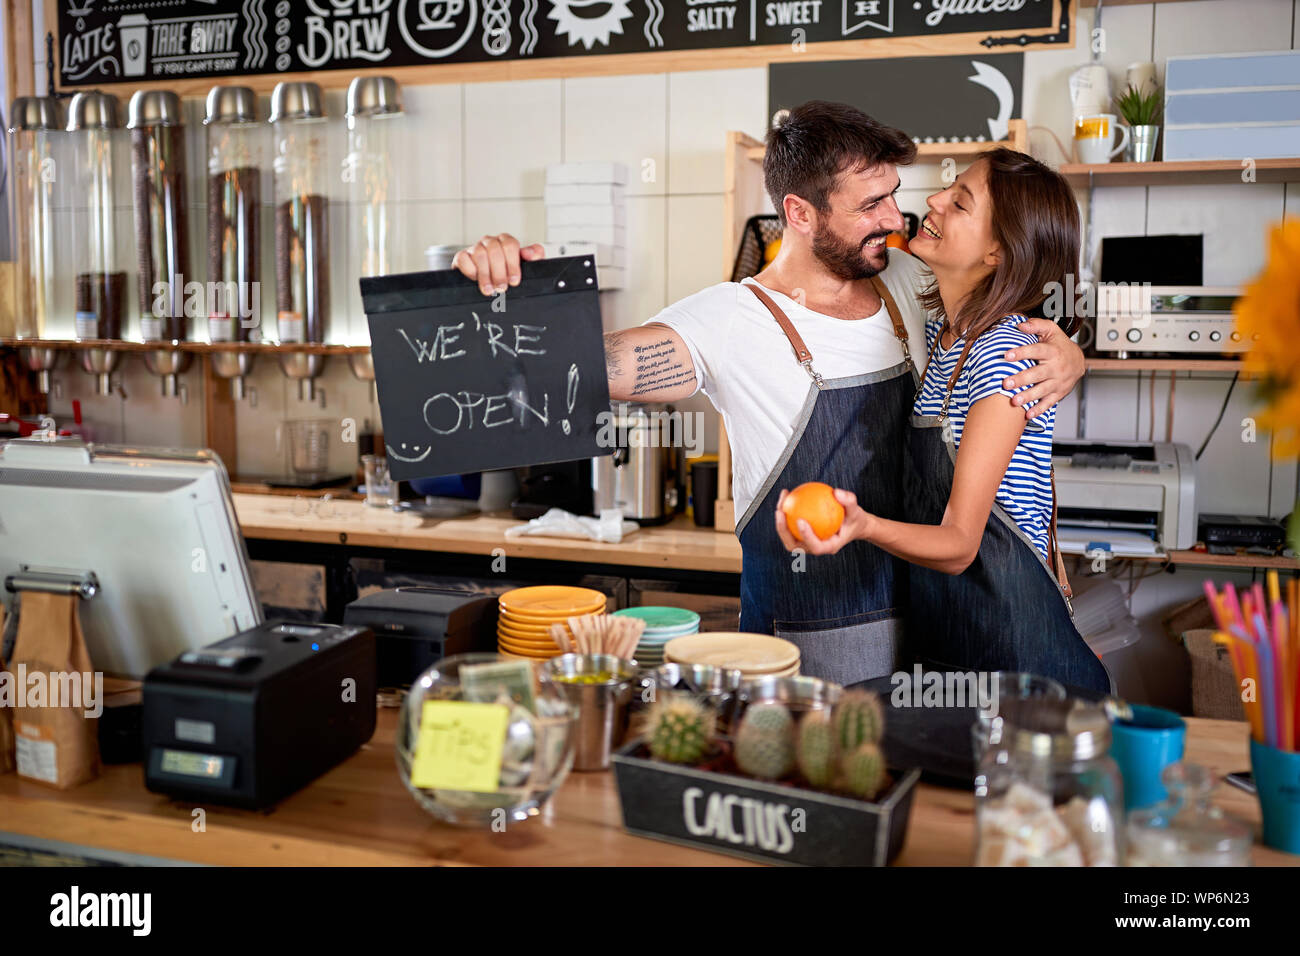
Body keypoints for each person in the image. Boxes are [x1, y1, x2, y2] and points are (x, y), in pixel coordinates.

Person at [452, 101, 1087, 688]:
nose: (897, 220)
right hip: (805, 654)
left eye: (894, 196)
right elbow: (585, 367)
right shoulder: (728, 320)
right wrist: (506, 300)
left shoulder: (913, 278)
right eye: (871, 206)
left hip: (941, 639)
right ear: (800, 213)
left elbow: (1024, 280)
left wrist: (1069, 349)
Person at [776, 148, 1111, 693]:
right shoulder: (944, 340)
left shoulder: (1005, 355)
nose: (932, 200)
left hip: (1020, 671)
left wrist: (861, 526)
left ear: (1000, 250)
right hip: (956, 654)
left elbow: (959, 545)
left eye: (960, 202)